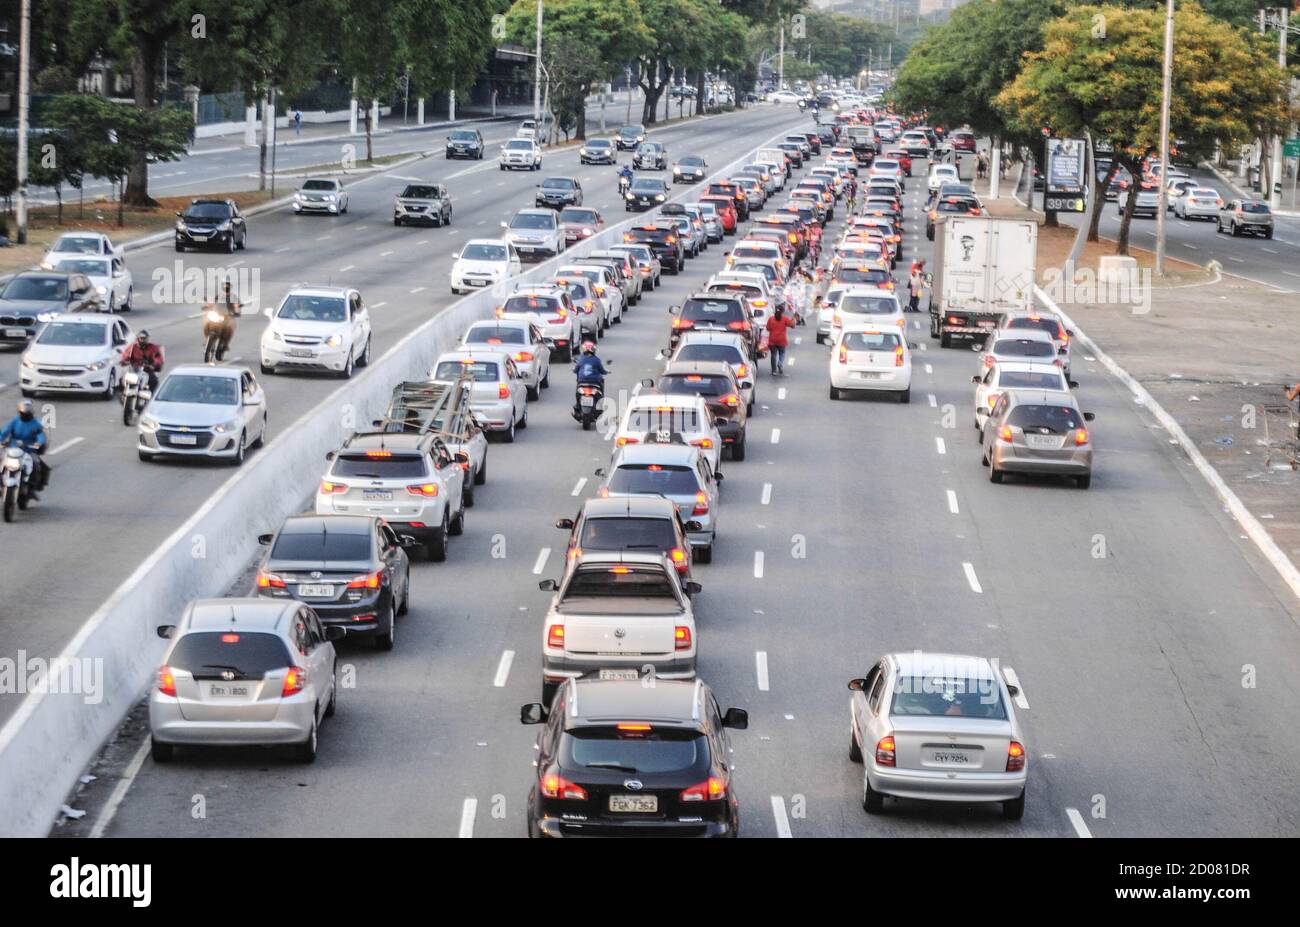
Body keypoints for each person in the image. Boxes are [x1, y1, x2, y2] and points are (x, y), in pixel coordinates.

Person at [0, 399, 49, 499]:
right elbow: (5, 432)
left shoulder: (36, 424)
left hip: (29, 450)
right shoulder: (14, 421)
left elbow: (41, 435)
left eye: (27, 414)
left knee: (36, 464)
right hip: (12, 449)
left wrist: (38, 443)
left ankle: (31, 488)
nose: (25, 416)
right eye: (23, 413)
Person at [765, 305, 796, 376]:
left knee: (773, 355)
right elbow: (792, 325)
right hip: (782, 340)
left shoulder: (771, 319)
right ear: (782, 311)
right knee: (782, 353)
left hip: (772, 340)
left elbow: (768, 328)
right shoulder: (784, 319)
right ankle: (780, 363)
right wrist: (793, 319)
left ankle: (774, 371)